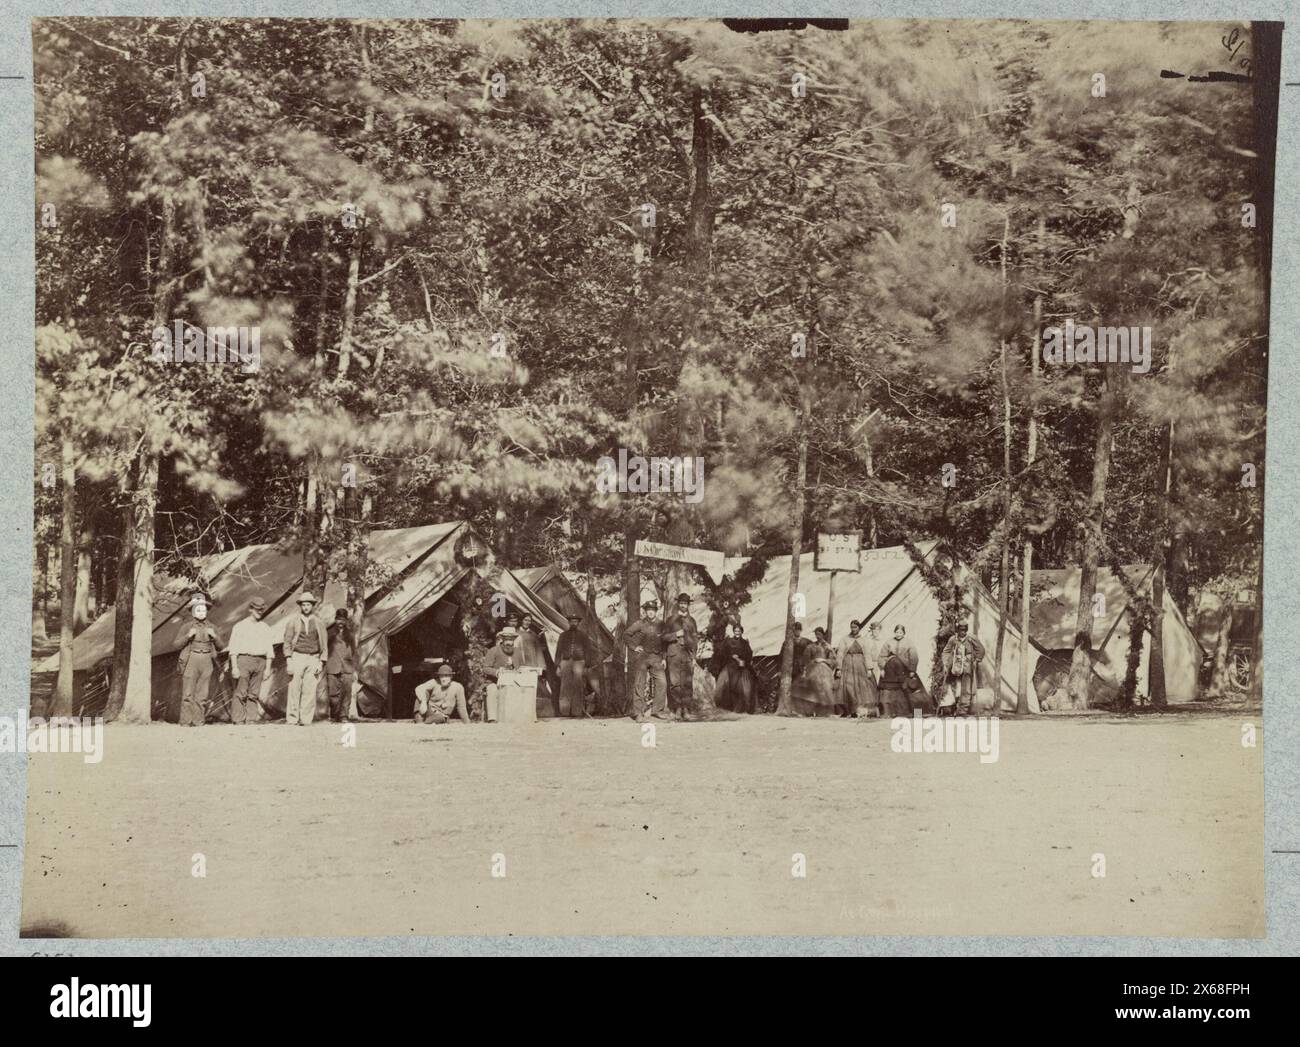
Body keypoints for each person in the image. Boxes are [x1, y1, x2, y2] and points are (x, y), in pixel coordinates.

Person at [282, 591, 328, 726]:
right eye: (303, 604)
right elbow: (287, 642)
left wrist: (321, 661)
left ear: (312, 605)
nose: (306, 607)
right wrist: (288, 660)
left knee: (310, 690)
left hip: (313, 657)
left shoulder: (319, 622)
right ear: (300, 606)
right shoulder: (293, 621)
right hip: (297, 656)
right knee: (294, 688)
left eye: (308, 604)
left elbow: (324, 644)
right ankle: (292, 718)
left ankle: (306, 719)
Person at [227, 596, 274, 724]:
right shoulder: (240, 626)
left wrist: (268, 668)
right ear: (250, 609)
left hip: (260, 661)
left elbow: (269, 650)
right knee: (241, 692)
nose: (259, 612)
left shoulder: (265, 627)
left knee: (254, 693)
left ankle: (251, 719)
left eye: (261, 610)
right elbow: (233, 649)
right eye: (257, 609)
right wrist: (235, 667)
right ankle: (238, 719)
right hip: (244, 660)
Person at [177, 594, 222, 726]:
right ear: (192, 611)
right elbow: (176, 645)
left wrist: (214, 637)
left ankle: (198, 722)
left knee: (202, 694)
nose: (201, 612)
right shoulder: (186, 627)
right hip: (191, 659)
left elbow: (221, 647)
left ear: (206, 611)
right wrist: (187, 636)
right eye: (198, 610)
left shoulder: (212, 627)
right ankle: (185, 721)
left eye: (203, 610)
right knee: (187, 693)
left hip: (207, 660)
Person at [625, 598, 669, 721]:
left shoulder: (662, 624)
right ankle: (638, 713)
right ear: (645, 611)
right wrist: (634, 647)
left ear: (656, 611)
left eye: (653, 610)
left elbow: (665, 642)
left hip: (657, 658)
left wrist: (664, 658)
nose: (650, 612)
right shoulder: (640, 624)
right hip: (642, 657)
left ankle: (657, 710)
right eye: (648, 610)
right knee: (639, 683)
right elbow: (626, 634)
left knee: (662, 682)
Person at [662, 593, 699, 720]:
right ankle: (676, 709)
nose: (683, 605)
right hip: (673, 654)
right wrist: (676, 634)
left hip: (687, 655)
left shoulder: (692, 621)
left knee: (687, 683)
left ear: (688, 605)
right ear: (678, 604)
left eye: (685, 603)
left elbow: (695, 640)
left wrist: (694, 657)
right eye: (681, 603)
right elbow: (663, 637)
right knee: (674, 683)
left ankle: (686, 710)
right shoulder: (671, 620)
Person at [516, 613, 560, 717]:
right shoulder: (516, 633)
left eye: (529, 621)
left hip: (533, 664)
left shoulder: (533, 634)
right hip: (522, 663)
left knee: (535, 687)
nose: (527, 622)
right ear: (521, 621)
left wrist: (541, 665)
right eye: (525, 620)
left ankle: (536, 712)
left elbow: (539, 650)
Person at [555, 611, 596, 718]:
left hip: (579, 662)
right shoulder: (563, 635)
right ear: (569, 623)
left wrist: (587, 665)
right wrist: (558, 666)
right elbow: (558, 651)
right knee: (565, 686)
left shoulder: (583, 636)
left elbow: (588, 651)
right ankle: (564, 711)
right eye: (572, 621)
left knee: (578, 686)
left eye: (576, 621)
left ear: (578, 623)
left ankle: (576, 712)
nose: (574, 623)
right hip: (565, 662)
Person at [942, 621, 985, 715]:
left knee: (966, 687)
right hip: (955, 665)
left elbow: (981, 649)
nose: (963, 632)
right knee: (954, 686)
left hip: (967, 665)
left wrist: (977, 660)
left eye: (965, 630)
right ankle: (952, 706)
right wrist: (946, 664)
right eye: (961, 630)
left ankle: (963, 710)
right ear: (957, 630)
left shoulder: (971, 638)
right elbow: (946, 651)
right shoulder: (953, 639)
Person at [836, 619, 877, 719]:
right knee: (848, 687)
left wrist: (869, 669)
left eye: (855, 627)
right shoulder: (844, 639)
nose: (853, 629)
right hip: (848, 665)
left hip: (860, 666)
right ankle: (847, 710)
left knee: (861, 688)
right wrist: (839, 668)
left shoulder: (864, 640)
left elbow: (867, 654)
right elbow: (840, 654)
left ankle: (858, 711)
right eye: (852, 627)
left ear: (859, 628)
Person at [481, 626, 523, 723]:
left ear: (514, 640)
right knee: (492, 690)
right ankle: (493, 718)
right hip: (494, 682)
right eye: (507, 639)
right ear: (502, 639)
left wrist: (514, 668)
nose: (509, 642)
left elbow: (521, 668)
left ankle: (517, 717)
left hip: (513, 682)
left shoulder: (517, 652)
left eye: (511, 639)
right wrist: (497, 672)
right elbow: (485, 668)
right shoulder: (493, 650)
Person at [714, 622, 756, 713]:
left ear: (741, 632)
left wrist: (743, 660)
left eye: (739, 631)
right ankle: (728, 707)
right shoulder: (728, 641)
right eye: (736, 631)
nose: (737, 633)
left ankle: (742, 708)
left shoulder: (745, 643)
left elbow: (749, 654)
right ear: (733, 632)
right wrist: (731, 656)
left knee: (744, 687)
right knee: (726, 685)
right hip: (730, 665)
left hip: (741, 666)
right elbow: (722, 653)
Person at [325, 608, 355, 723]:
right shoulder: (329, 633)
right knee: (333, 694)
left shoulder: (350, 634)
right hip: (332, 666)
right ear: (335, 620)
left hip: (347, 667)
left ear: (346, 621)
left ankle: (344, 716)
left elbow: (354, 651)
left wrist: (354, 668)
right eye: (338, 619)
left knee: (347, 693)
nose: (340, 622)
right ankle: (335, 714)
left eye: (343, 620)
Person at [876, 628, 914, 718]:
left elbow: (914, 656)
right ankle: (888, 712)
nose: (898, 634)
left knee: (907, 689)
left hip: (904, 669)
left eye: (900, 632)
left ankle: (910, 712)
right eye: (897, 632)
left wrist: (912, 670)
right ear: (894, 632)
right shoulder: (888, 642)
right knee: (888, 690)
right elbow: (881, 656)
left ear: (904, 633)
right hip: (890, 670)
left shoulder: (909, 643)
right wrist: (882, 668)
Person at [802, 627, 838, 712]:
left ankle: (825, 709)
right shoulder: (811, 646)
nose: (817, 636)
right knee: (812, 688)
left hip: (824, 671)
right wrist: (812, 662)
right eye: (816, 634)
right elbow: (805, 659)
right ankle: (811, 710)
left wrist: (823, 660)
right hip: (813, 669)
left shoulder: (827, 647)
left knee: (825, 688)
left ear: (823, 635)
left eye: (819, 634)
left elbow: (833, 661)